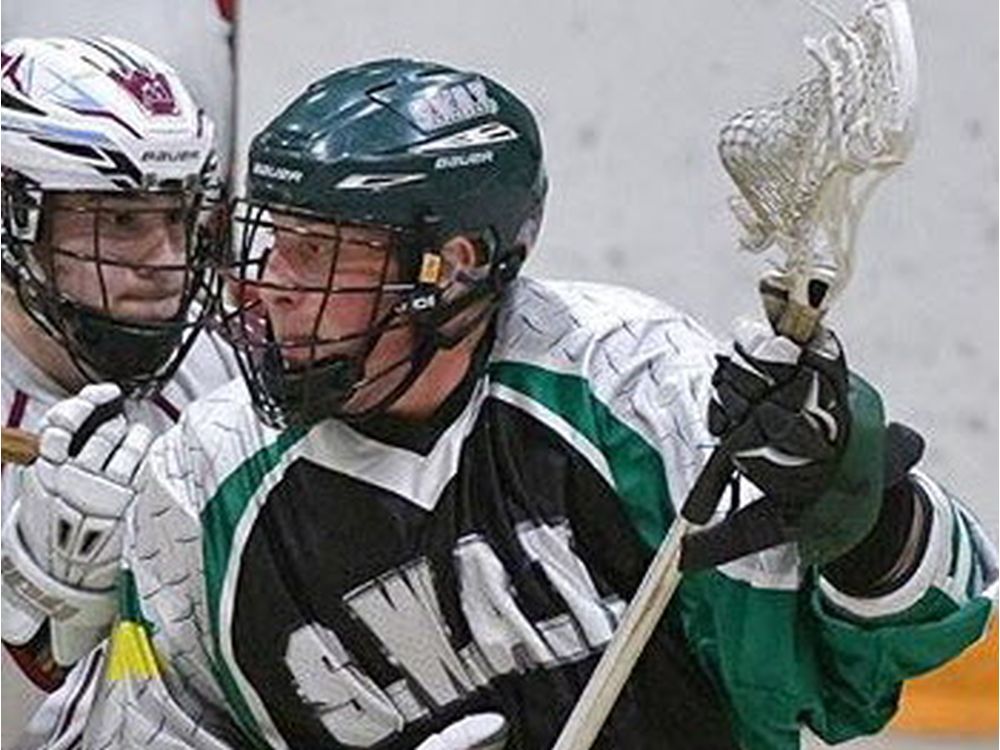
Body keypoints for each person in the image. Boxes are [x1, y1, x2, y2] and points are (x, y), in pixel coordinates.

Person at [42, 59, 996, 750]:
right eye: (274, 238)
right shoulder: (201, 484)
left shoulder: (630, 383)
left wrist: (854, 505)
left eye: (320, 251)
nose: (269, 286)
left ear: (450, 269)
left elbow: (917, 636)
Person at [0, 34, 238, 735]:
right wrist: (42, 605)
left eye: (176, 217)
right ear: (15, 219)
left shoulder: (221, 355)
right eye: (124, 221)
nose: (164, 263)